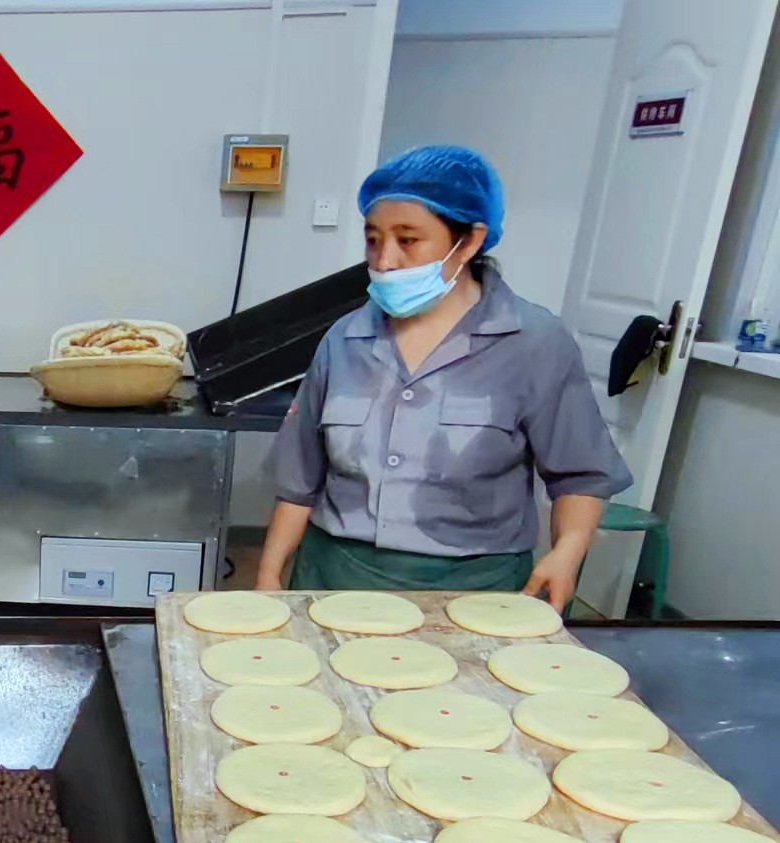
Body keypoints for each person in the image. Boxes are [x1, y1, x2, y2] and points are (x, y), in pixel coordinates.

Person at [257, 146, 631, 608]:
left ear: (470, 241)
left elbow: (580, 472)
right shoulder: (344, 339)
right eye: (373, 239)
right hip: (337, 575)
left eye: (408, 240)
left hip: (478, 586)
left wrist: (566, 554)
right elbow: (299, 479)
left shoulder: (534, 342)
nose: (385, 260)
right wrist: (270, 576)